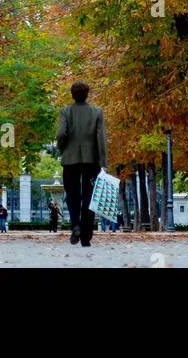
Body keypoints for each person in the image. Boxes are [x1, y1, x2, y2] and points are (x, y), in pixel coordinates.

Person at [56, 80, 107, 248]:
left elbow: (61, 133)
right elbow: (101, 138)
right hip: (91, 160)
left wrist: (62, 148)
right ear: (87, 94)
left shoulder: (65, 111)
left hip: (70, 160)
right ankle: (86, 236)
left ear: (72, 95)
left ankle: (75, 225)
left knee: (72, 195)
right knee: (89, 197)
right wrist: (103, 161)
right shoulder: (97, 112)